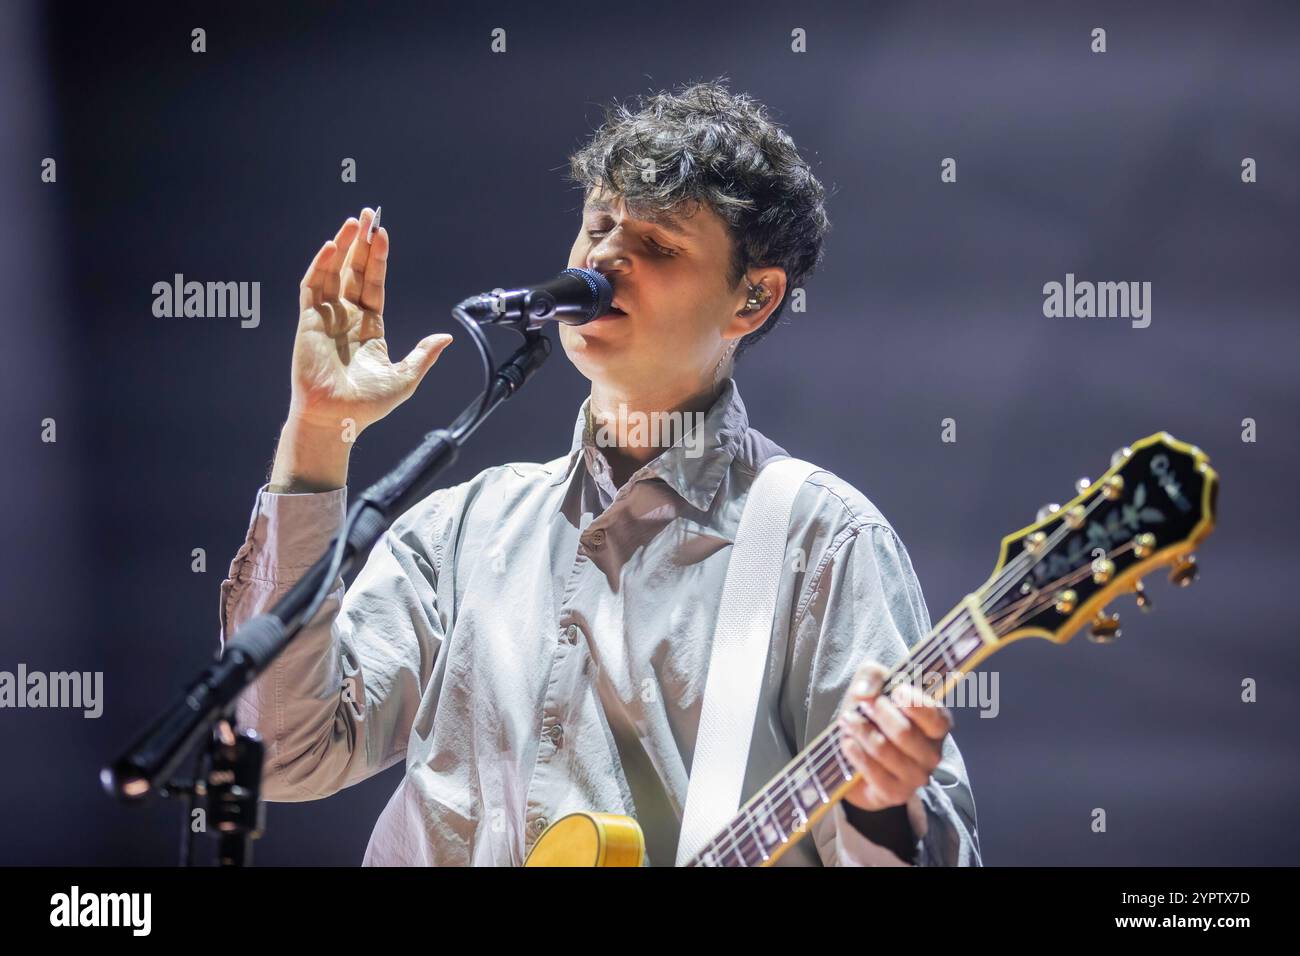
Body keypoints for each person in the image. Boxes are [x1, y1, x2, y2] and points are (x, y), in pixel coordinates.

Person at [218, 80, 981, 867]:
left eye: (658, 246)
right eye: (599, 225)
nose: (608, 257)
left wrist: (885, 809)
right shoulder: (465, 527)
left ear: (752, 299)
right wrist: (316, 429)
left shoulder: (822, 539)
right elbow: (280, 752)